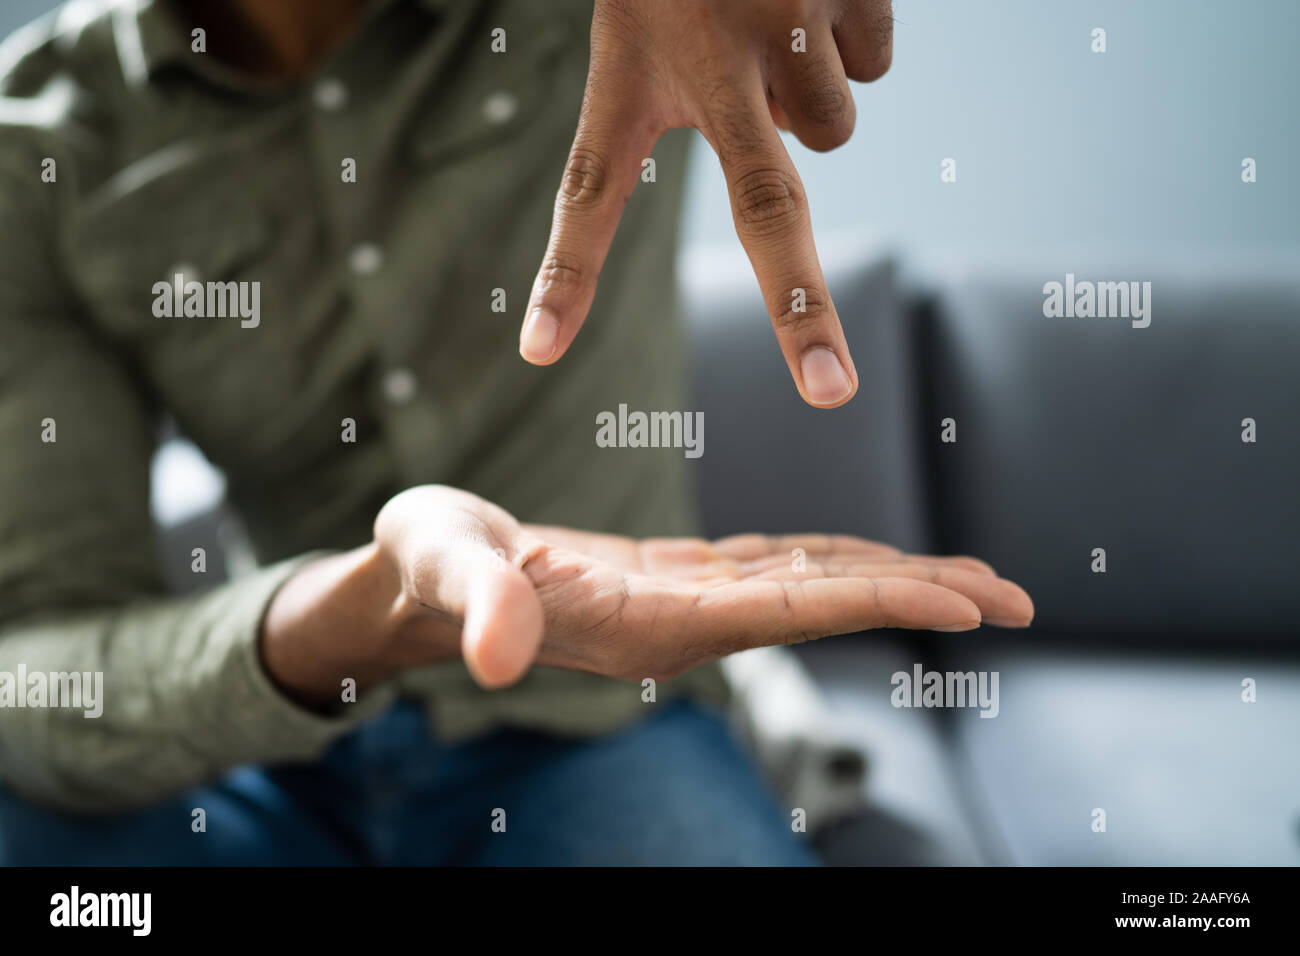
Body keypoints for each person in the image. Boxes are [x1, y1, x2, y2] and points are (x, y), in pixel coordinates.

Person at [0, 0, 1032, 865]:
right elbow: (38, 654)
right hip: (263, 751)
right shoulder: (38, 147)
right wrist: (354, 610)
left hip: (600, 734)